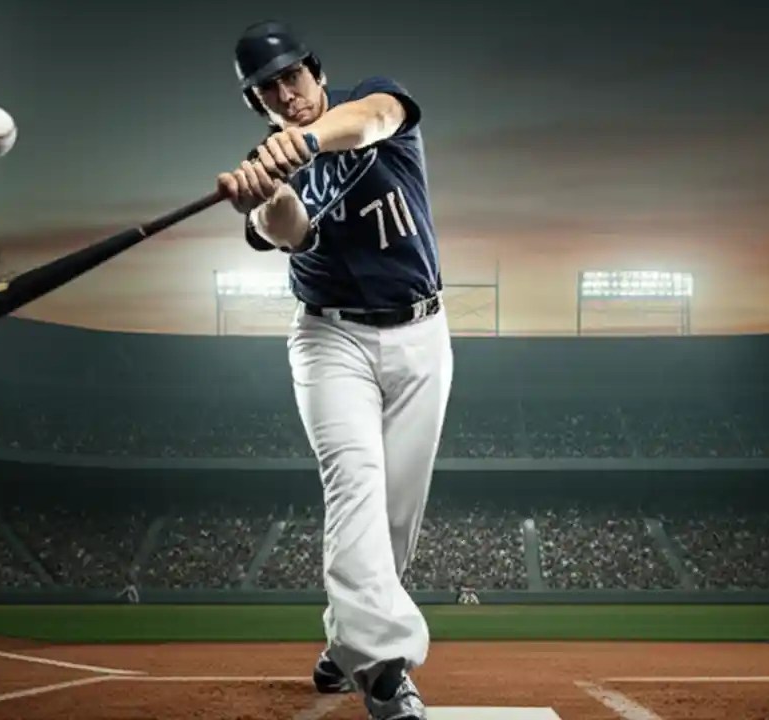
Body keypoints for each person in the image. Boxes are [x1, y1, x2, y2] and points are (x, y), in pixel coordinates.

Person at [216, 21, 452, 720]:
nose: (286, 95)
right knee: (354, 479)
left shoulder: (373, 99)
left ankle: (344, 635)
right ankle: (383, 671)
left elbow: (374, 121)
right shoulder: (268, 163)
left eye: (293, 77)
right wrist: (265, 194)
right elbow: (289, 231)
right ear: (256, 103)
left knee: (398, 515)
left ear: (316, 72)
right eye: (268, 90)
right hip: (331, 339)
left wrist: (310, 142)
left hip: (422, 331)